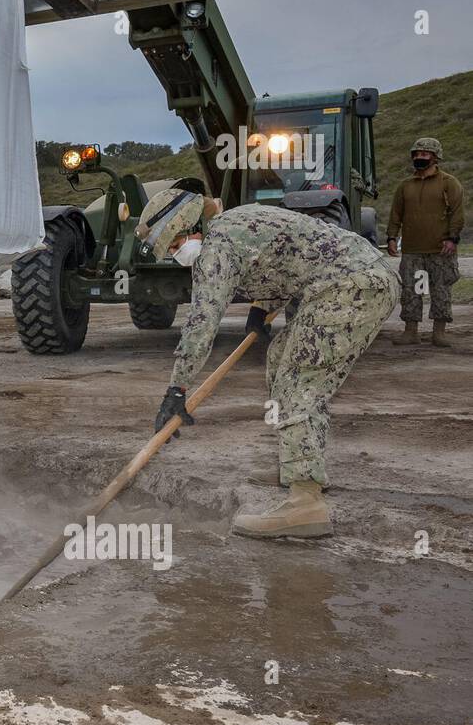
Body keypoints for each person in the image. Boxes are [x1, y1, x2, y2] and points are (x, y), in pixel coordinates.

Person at [139, 188, 398, 540]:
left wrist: (176, 388)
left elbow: (202, 323)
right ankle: (295, 462)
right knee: (280, 358)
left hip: (351, 285)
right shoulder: (233, 222)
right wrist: (260, 307)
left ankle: (305, 502)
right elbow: (281, 255)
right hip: (351, 277)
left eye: (174, 245)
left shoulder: (216, 248)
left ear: (190, 226)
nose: (175, 255)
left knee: (299, 381)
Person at [387, 137, 463, 348]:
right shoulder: (405, 186)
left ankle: (439, 333)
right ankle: (411, 332)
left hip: (440, 250)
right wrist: (392, 237)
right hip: (412, 251)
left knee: (441, 290)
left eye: (425, 154)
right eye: (417, 154)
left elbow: (457, 214)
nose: (420, 157)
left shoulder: (449, 183)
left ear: (435, 157)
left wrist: (452, 238)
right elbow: (396, 214)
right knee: (412, 290)